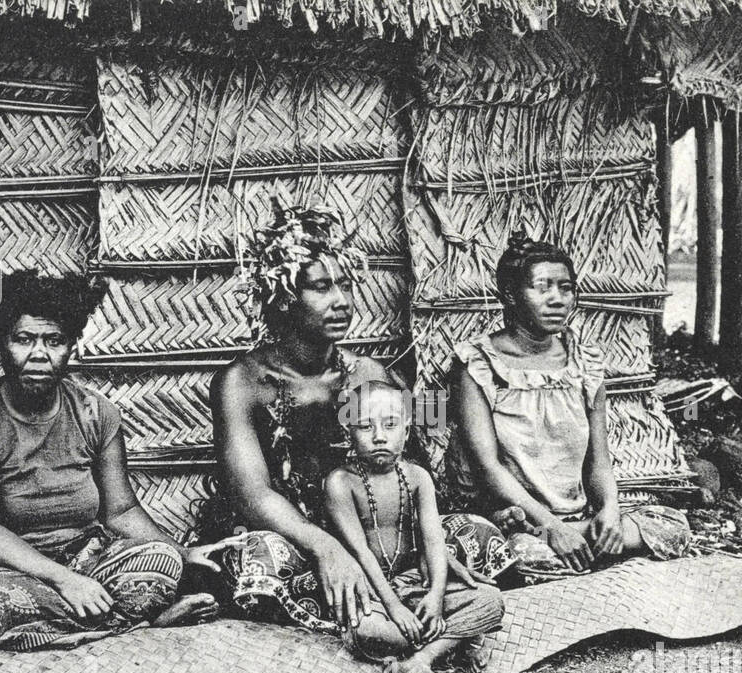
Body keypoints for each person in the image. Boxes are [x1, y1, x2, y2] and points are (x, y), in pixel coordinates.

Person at [209, 204, 514, 645]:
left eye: (346, 285)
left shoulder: (375, 374)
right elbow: (251, 493)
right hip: (299, 536)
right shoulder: (240, 383)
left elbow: (417, 457)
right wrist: (325, 547)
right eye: (321, 287)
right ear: (283, 298)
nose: (342, 300)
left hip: (380, 530)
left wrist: (433, 551)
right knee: (262, 562)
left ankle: (394, 607)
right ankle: (389, 614)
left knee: (478, 535)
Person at [0, 270, 241, 651]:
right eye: (24, 339)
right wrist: (65, 581)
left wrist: (181, 552)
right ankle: (138, 625)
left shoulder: (97, 413)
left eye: (55, 341)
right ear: (1, 344)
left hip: (83, 555)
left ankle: (72, 626)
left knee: (160, 563)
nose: (39, 354)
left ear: (72, 346)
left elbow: (121, 511)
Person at [447, 234, 691, 580]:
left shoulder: (584, 361)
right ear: (510, 295)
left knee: (671, 526)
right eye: (542, 288)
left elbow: (599, 460)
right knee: (503, 549)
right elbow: (489, 468)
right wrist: (549, 525)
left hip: (581, 520)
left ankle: (577, 553)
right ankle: (575, 557)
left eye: (566, 288)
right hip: (518, 524)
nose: (557, 300)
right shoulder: (477, 365)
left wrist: (609, 510)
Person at [324, 381, 504, 673]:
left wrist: (435, 595)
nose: (379, 436)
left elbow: (434, 541)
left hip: (412, 584)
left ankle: (419, 660)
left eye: (391, 425)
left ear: (407, 431)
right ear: (348, 433)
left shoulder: (418, 477)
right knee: (367, 630)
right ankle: (453, 641)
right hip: (372, 592)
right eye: (365, 426)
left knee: (491, 601)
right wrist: (394, 607)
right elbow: (361, 552)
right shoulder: (340, 483)